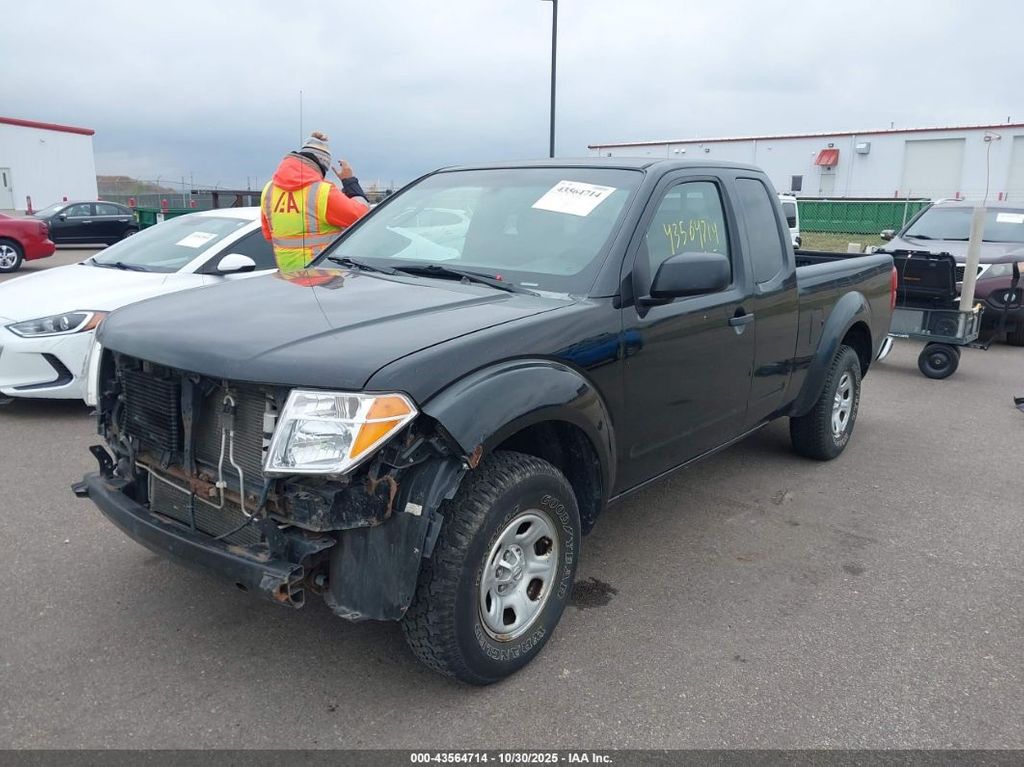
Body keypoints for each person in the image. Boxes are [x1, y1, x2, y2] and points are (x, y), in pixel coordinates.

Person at [260, 131, 370, 271]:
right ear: (322, 166)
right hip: (322, 279)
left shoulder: (269, 190)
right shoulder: (322, 192)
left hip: (287, 277)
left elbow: (268, 235)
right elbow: (363, 218)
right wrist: (349, 181)